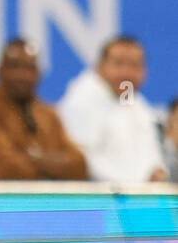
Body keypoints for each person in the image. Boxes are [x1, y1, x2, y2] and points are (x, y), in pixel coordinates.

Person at [0, 38, 87, 180]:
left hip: (49, 201)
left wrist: (34, 158)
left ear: (39, 73)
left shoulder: (48, 114)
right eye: (15, 67)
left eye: (30, 68)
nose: (22, 76)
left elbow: (79, 165)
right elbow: (2, 169)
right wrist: (51, 165)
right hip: (1, 201)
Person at [57, 35, 168, 182]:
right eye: (119, 63)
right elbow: (81, 162)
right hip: (100, 200)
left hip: (135, 197)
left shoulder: (132, 98)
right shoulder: (81, 100)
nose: (126, 73)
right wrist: (137, 182)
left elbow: (150, 151)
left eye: (134, 65)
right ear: (100, 66)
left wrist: (157, 170)